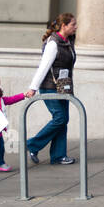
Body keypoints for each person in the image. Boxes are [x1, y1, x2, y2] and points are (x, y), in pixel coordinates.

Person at [24, 13, 78, 166]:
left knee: (63, 120)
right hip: (49, 87)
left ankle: (58, 155)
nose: (76, 27)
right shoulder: (53, 43)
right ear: (63, 26)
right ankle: (32, 144)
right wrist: (33, 88)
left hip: (63, 86)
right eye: (73, 24)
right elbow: (43, 67)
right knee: (60, 118)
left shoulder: (68, 41)